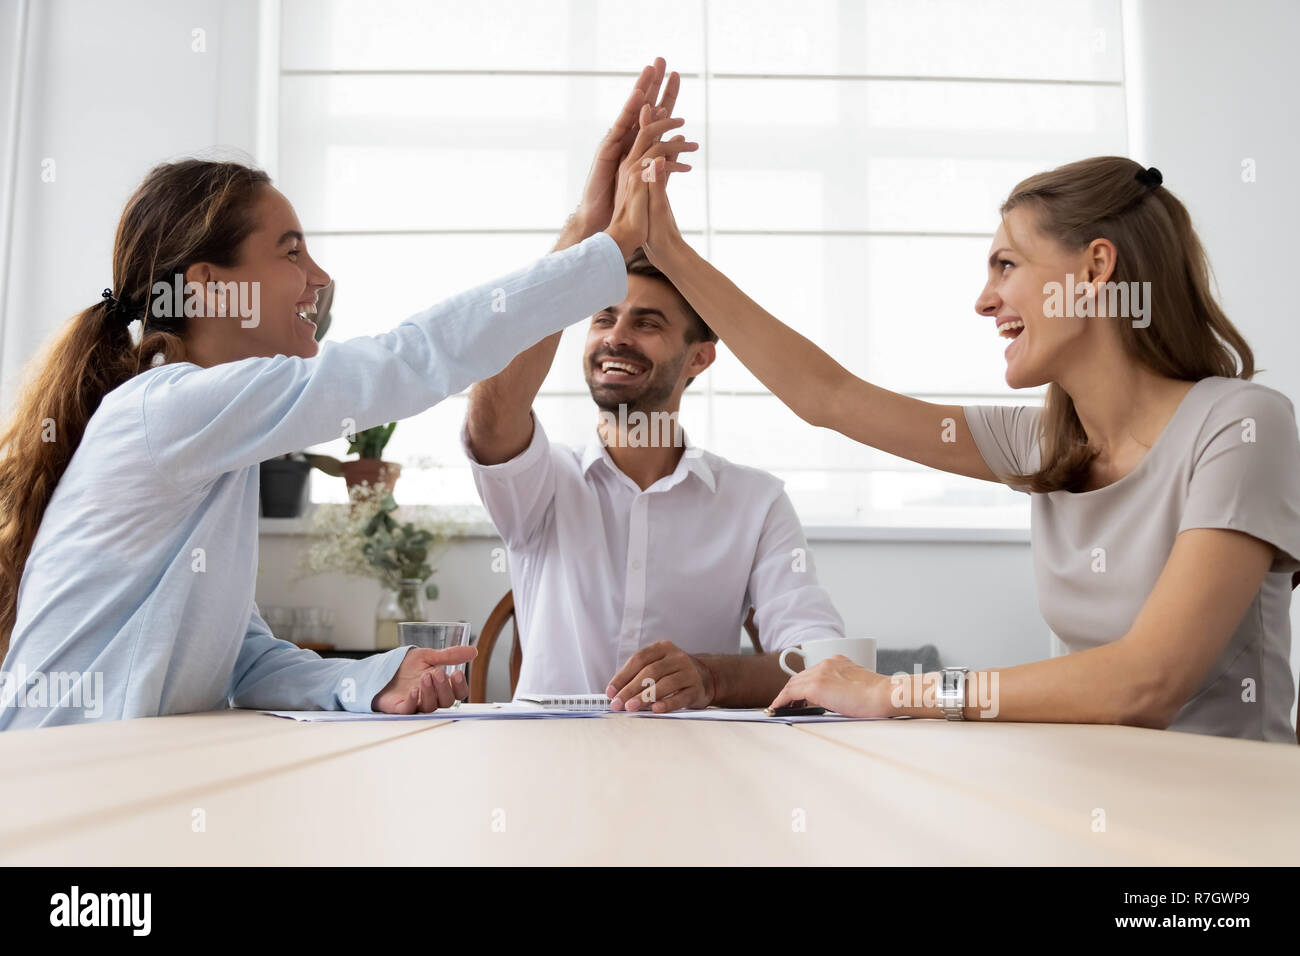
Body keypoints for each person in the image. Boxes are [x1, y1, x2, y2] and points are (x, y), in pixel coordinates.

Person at [0, 58, 682, 730]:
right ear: (209, 285)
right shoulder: (166, 411)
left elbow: (239, 655)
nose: (318, 275)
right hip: (58, 785)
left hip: (110, 782)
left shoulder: (209, 436)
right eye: (291, 252)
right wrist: (610, 244)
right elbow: (411, 360)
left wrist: (376, 678)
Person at [637, 155, 1300, 742]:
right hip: (1091, 800)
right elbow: (827, 397)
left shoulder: (1241, 426)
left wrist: (894, 692)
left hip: (1221, 821)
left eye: (1006, 265)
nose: (985, 301)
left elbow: (1146, 684)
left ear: (1096, 268)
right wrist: (669, 252)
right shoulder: (1045, 445)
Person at [463, 76, 844, 713]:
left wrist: (712, 676)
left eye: (647, 322)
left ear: (700, 357)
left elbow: (825, 660)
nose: (615, 337)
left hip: (694, 778)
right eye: (602, 317)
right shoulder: (544, 483)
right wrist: (588, 231)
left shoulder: (754, 503)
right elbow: (493, 410)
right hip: (545, 776)